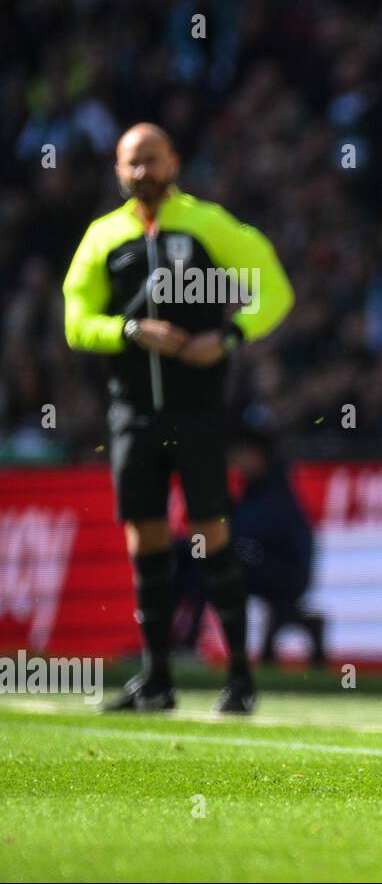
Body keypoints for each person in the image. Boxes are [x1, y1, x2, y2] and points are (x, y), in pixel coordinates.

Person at [63, 123, 294, 714]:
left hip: (197, 412)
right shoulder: (103, 237)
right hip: (132, 414)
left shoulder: (207, 224)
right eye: (131, 162)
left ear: (175, 161)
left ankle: (240, 680)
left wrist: (230, 335)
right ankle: (157, 679)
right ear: (117, 170)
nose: (142, 171)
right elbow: (76, 320)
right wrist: (130, 330)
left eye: (152, 159)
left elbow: (274, 289)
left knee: (211, 534)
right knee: (146, 540)